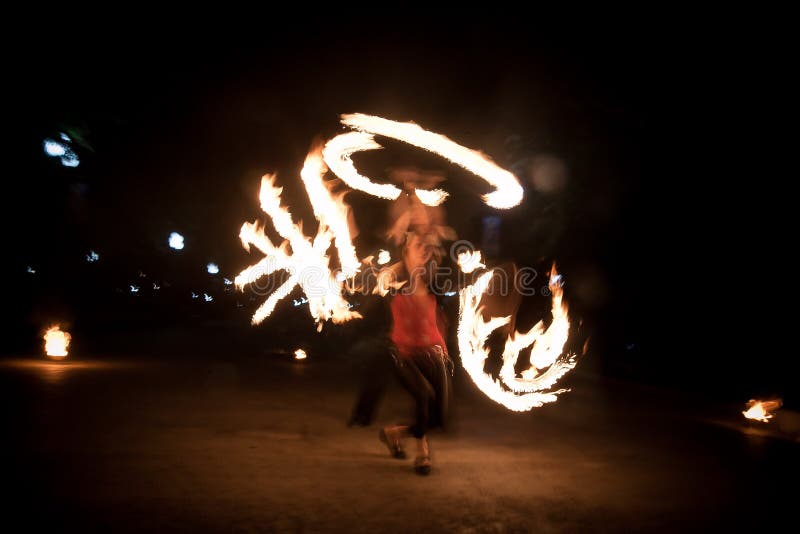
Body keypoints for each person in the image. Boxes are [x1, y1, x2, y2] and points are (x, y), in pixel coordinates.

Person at [378, 230, 453, 475]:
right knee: (423, 394)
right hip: (403, 354)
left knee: (439, 417)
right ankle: (423, 454)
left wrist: (443, 348)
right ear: (406, 251)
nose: (425, 249)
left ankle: (395, 432)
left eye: (428, 246)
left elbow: (436, 320)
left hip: (433, 352)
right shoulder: (393, 280)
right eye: (419, 244)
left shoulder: (433, 281)